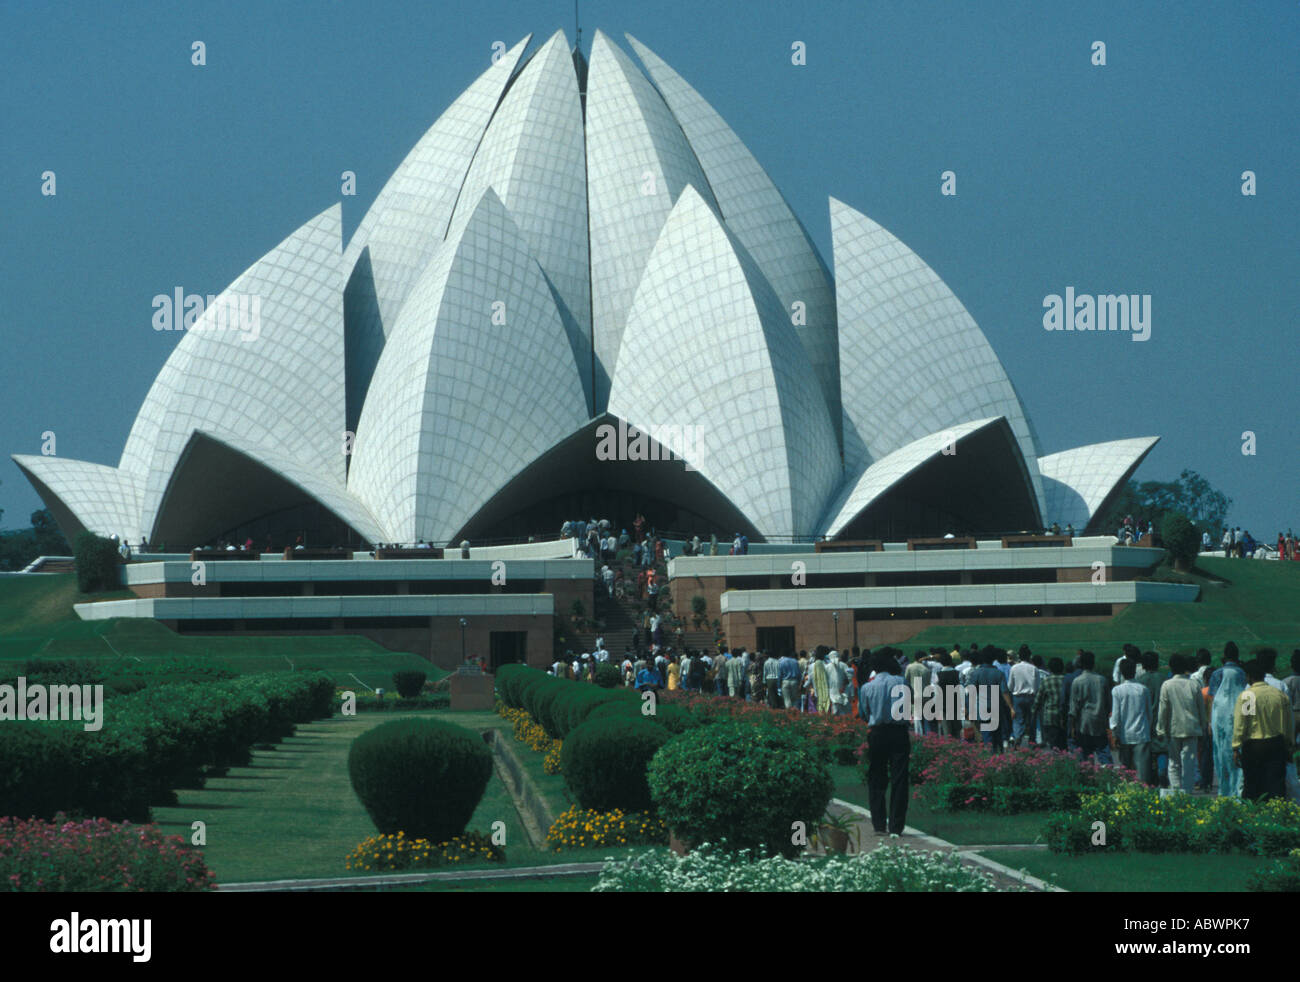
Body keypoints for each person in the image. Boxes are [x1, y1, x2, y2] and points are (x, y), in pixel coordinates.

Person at [860, 652, 911, 836]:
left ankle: (879, 823)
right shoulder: (901, 682)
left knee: (876, 777)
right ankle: (896, 825)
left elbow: (864, 713)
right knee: (900, 778)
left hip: (877, 732)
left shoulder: (867, 687)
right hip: (898, 732)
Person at [1233, 660, 1295, 801]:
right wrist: (1290, 744)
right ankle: (1276, 815)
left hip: (1254, 746)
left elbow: (1242, 723)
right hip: (1276, 744)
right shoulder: (1279, 695)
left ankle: (1254, 817)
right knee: (1276, 786)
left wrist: (1236, 746)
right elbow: (1288, 723)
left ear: (1249, 676)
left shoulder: (1249, 696)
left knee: (1252, 786)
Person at [1157, 653, 1207, 794]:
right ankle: (1187, 792)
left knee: (1173, 763)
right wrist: (1203, 726)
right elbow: (1201, 709)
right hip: (1191, 728)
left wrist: (1161, 729)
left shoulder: (1167, 685)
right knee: (1189, 763)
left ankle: (1176, 791)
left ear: (1171, 668)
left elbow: (1163, 710)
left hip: (1174, 728)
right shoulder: (1194, 684)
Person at [1109, 657, 1153, 784]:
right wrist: (1148, 729)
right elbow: (1149, 713)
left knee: (1125, 770)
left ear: (1122, 673)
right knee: (1142, 772)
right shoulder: (1143, 689)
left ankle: (1126, 795)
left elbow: (1115, 715)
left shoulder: (1117, 690)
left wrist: (1114, 732)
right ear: (1135, 671)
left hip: (1124, 734)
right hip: (1142, 733)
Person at [1211, 643, 1247, 797]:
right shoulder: (1243, 674)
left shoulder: (1217, 674)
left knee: (1220, 754)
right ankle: (1237, 790)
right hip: (1239, 715)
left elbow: (1212, 699)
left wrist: (1208, 721)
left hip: (1219, 718)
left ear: (1224, 656)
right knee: (1238, 754)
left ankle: (1224, 791)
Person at [1068, 651, 1109, 761]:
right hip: (1100, 720)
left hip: (1084, 721)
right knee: (1103, 752)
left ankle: (1088, 775)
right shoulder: (1102, 680)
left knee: (1085, 754)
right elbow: (1108, 704)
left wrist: (1072, 726)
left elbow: (1073, 707)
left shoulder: (1077, 681)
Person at [1034, 658, 1068, 750]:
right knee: (1064, 744)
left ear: (1050, 669)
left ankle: (1055, 761)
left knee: (1053, 744)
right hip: (1065, 716)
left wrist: (1033, 711)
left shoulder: (1046, 681)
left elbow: (1038, 700)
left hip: (1050, 716)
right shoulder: (1066, 680)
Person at [1009, 649, 1039, 747]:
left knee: (1018, 720)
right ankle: (1032, 741)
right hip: (1031, 696)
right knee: (1031, 721)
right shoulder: (1034, 668)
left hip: (1018, 696)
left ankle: (1018, 736)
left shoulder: (1014, 668)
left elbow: (1010, 685)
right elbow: (1037, 686)